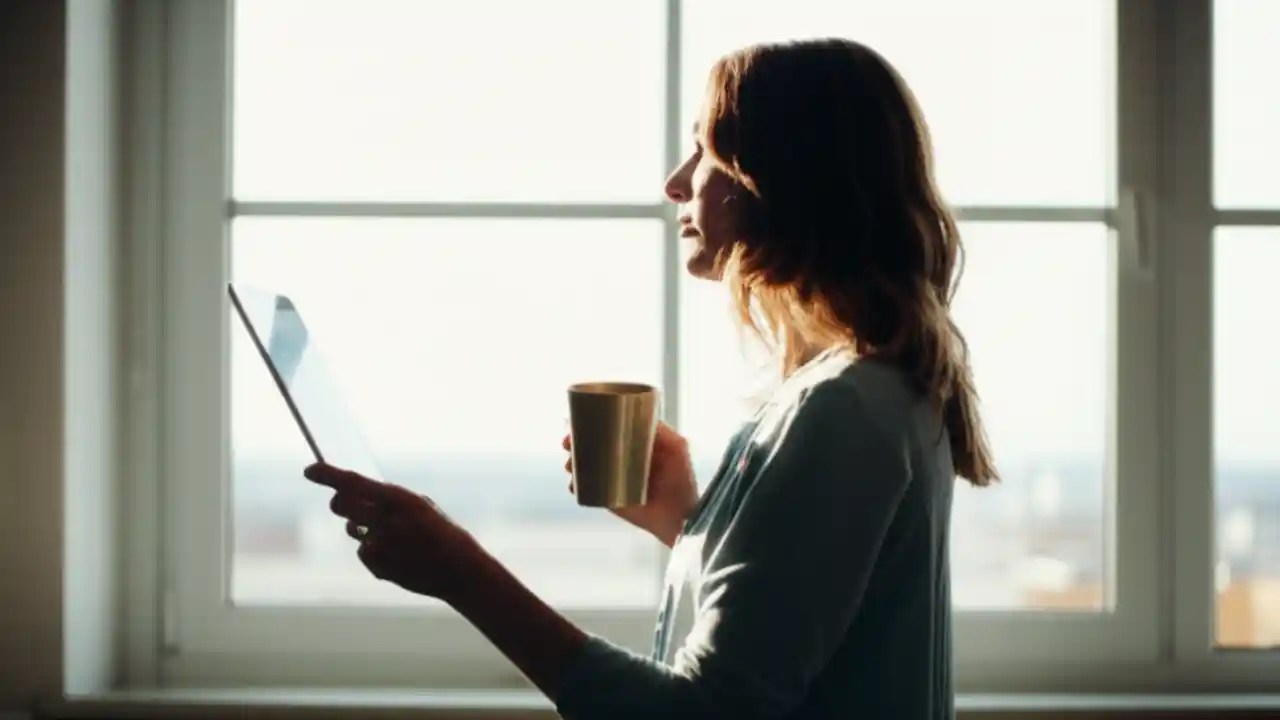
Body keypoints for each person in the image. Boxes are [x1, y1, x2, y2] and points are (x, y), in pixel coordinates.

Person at [304, 37, 997, 719]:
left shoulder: (845, 407)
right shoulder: (855, 390)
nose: (675, 181)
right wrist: (691, 524)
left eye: (705, 151)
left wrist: (460, 572)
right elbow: (801, 636)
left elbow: (705, 712)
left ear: (782, 179)